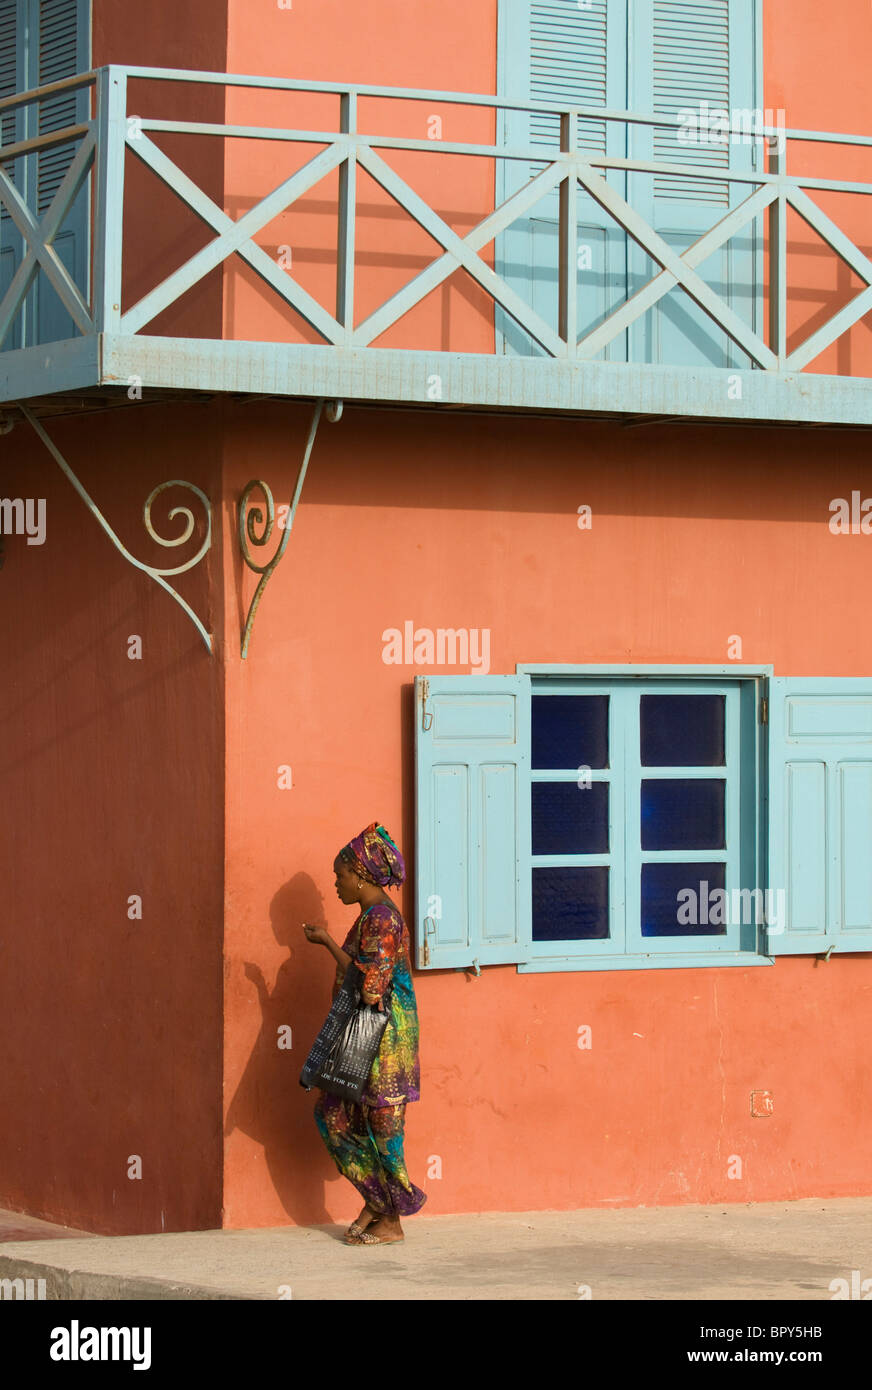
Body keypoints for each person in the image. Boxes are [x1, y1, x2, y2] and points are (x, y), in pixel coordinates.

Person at [303, 822, 426, 1245]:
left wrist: (326, 945)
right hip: (365, 1039)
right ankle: (380, 1203)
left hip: (384, 1042)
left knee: (382, 1126)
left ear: (359, 874)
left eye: (339, 876)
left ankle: (390, 1217)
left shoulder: (380, 921)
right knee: (335, 1116)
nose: (336, 885)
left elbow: (371, 988)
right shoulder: (373, 917)